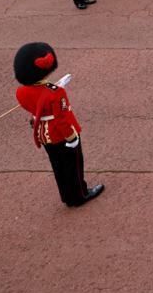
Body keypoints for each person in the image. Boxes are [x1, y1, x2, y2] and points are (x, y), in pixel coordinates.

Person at [13, 42, 104, 207]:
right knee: (73, 165)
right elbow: (62, 118)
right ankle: (79, 195)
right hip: (60, 133)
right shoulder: (56, 93)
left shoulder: (21, 91)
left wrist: (52, 87)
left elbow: (37, 102)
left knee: (58, 166)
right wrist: (71, 138)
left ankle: (66, 196)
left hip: (43, 133)